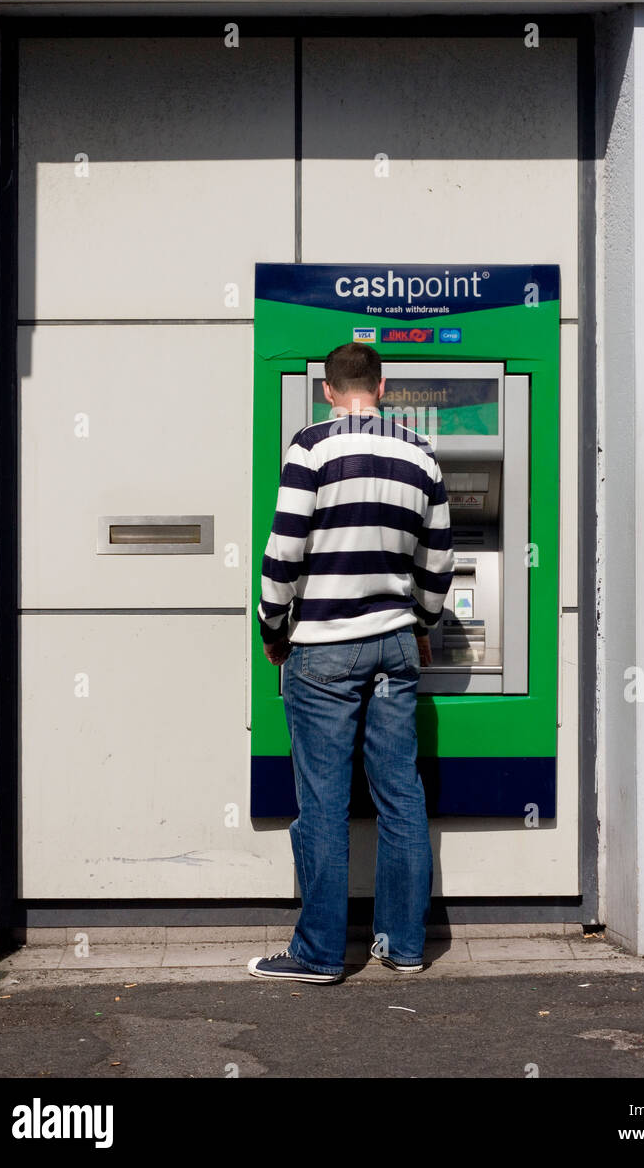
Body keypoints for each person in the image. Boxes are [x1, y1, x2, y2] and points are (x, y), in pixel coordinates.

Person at [248, 342, 454, 984]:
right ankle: (403, 946)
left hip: (325, 646)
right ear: (383, 385)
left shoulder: (311, 447)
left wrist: (272, 624)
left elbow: (285, 548)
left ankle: (318, 954)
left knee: (324, 801)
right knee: (400, 795)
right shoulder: (421, 453)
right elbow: (439, 563)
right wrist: (419, 624)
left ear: (329, 391)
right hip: (395, 644)